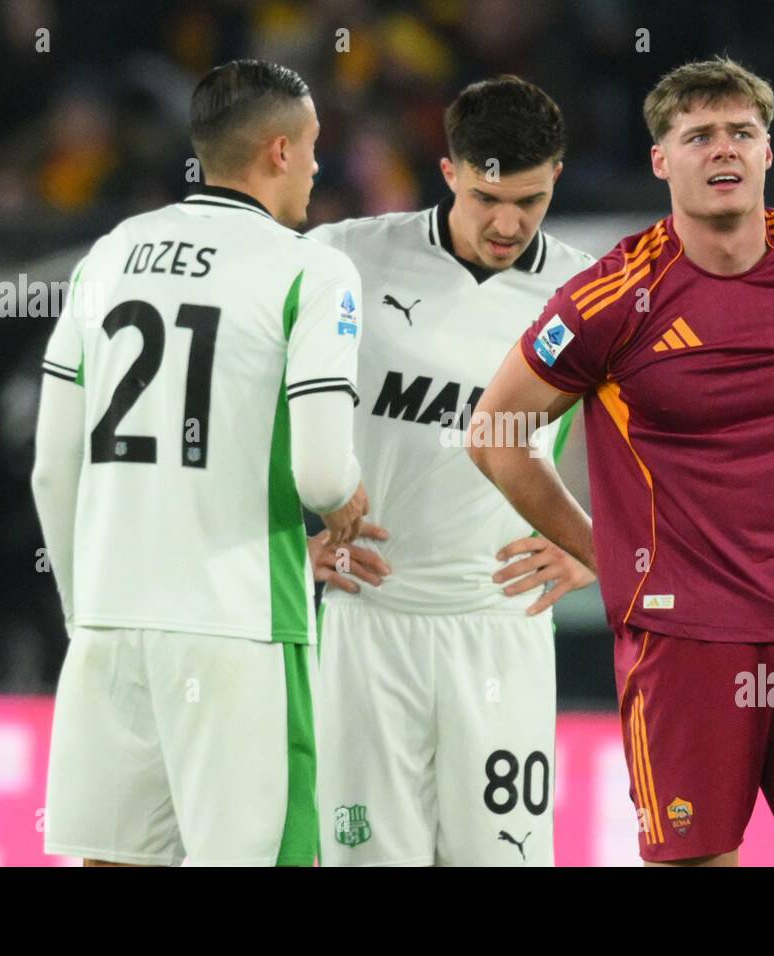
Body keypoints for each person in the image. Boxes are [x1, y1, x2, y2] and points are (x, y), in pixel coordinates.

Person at [469, 57, 774, 867]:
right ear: (662, 159)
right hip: (684, 644)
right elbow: (493, 432)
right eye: (698, 136)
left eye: (741, 132)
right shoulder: (610, 298)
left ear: (768, 152)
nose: (722, 149)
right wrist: (607, 557)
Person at [32, 60, 367, 866]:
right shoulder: (312, 270)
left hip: (111, 627)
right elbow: (323, 474)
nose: (320, 168)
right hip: (239, 626)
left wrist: (90, 615)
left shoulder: (109, 254)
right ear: (280, 151)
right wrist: (347, 507)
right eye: (315, 147)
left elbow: (51, 465)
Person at [307, 76, 595, 866]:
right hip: (371, 616)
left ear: (557, 179)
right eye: (486, 197)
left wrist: (592, 550)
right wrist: (287, 548)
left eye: (530, 201)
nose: (508, 224)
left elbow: (662, 443)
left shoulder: (587, 291)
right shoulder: (345, 260)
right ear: (449, 173)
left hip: (501, 620)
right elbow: (244, 402)